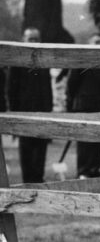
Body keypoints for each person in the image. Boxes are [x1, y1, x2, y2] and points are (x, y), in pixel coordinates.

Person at [7, 26, 53, 183]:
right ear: (23, 40)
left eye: (36, 39)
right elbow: (11, 91)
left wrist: (49, 111)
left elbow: (48, 90)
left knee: (40, 154)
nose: (34, 42)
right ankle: (28, 185)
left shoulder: (43, 62)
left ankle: (38, 183)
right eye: (30, 39)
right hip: (24, 114)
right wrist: (14, 115)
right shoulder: (17, 63)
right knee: (27, 154)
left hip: (43, 115)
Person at [66, 32, 100, 178]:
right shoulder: (81, 60)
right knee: (85, 142)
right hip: (84, 106)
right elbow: (71, 85)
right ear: (89, 44)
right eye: (96, 42)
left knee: (99, 142)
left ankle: (94, 169)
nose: (99, 45)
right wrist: (73, 105)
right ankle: (83, 170)